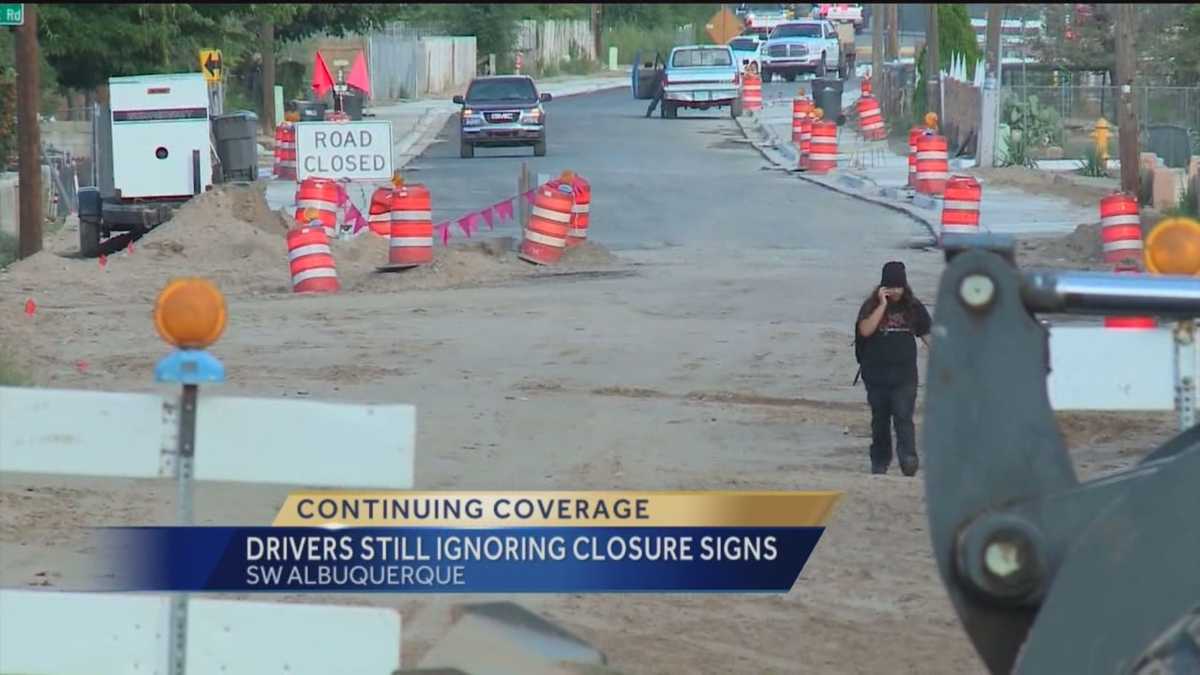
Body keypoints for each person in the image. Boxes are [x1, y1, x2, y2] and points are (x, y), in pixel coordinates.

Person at [855, 261, 931, 476]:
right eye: (891, 287)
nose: (895, 291)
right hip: (875, 376)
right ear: (883, 287)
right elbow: (865, 330)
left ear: (904, 286)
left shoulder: (914, 308)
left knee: (903, 416)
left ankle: (908, 459)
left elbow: (927, 335)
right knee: (879, 420)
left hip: (904, 376)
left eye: (898, 287)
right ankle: (880, 462)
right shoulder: (871, 306)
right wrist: (882, 305)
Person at [645, 53, 667, 118]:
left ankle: (650, 113)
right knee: (660, 102)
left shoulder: (660, 72)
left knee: (658, 102)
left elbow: (653, 81)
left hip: (662, 88)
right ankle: (660, 114)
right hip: (661, 88)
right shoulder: (664, 72)